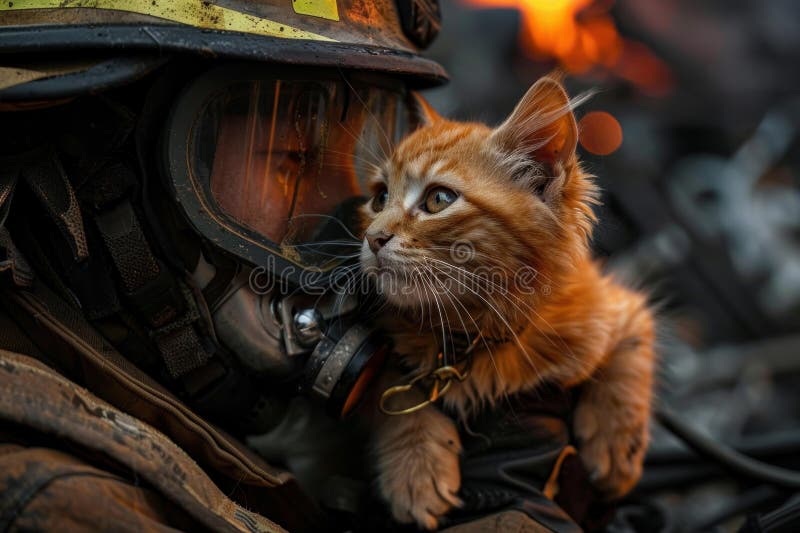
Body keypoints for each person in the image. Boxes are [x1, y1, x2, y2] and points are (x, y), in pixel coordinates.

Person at [0, 2, 597, 531]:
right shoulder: (52, 495)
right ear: (101, 186)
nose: (357, 224)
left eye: (358, 166)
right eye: (294, 158)